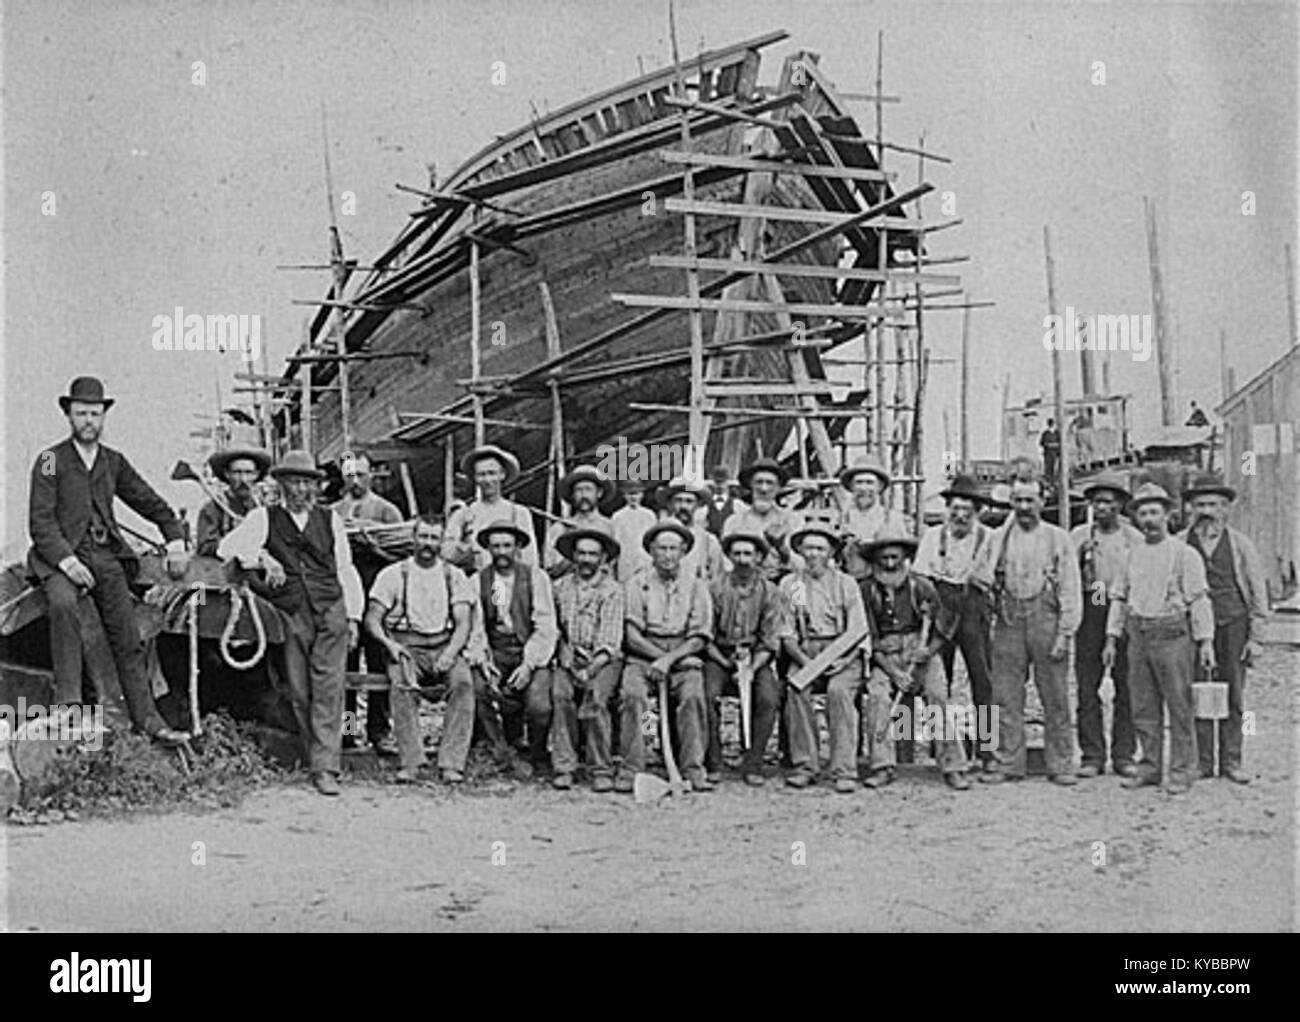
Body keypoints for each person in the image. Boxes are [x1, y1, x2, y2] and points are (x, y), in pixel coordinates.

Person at [28, 376, 192, 746]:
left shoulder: (113, 462)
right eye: (81, 413)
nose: (89, 420)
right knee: (63, 604)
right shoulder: (51, 460)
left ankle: (148, 720)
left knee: (128, 635)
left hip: (105, 557)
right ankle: (68, 705)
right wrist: (67, 562)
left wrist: (177, 541)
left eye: (95, 414)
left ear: (104, 417)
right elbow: (40, 521)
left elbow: (153, 504)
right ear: (68, 415)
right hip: (60, 560)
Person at [218, 450, 364, 795]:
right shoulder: (263, 518)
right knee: (300, 690)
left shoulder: (331, 520)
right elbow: (227, 549)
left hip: (331, 606)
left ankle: (325, 767)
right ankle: (314, 754)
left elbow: (345, 568)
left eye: (307, 482)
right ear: (281, 485)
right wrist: (263, 556)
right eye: (294, 482)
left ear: (316, 486)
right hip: (293, 610)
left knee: (329, 687)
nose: (301, 489)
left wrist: (354, 615)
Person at [1104, 484, 1215, 795]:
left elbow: (1199, 600)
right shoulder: (1130, 555)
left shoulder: (1185, 554)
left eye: (1155, 512)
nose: (1149, 518)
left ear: (1168, 515)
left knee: (1179, 705)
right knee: (1143, 706)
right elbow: (1117, 598)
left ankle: (1182, 770)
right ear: (1136, 518)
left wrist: (1205, 641)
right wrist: (1112, 639)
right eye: (1143, 513)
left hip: (1173, 635)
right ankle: (1150, 767)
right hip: (1138, 635)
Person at [971, 476, 1082, 786]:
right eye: (1017, 501)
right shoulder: (998, 539)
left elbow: (1070, 588)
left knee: (1055, 695)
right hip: (1008, 619)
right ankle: (1009, 762)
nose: (1023, 507)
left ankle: (1061, 763)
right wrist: (1004, 531)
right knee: (1005, 696)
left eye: (1029, 500)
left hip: (1047, 618)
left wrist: (1065, 633)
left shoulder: (1058, 538)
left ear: (1042, 502)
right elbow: (979, 576)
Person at [364, 514, 475, 784]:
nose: (427, 543)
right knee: (402, 686)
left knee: (463, 684)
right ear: (413, 539)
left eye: (434, 537)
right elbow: (372, 619)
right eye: (423, 536)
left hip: (444, 643)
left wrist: (450, 653)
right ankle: (411, 761)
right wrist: (390, 644)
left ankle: (451, 763)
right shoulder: (393, 574)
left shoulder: (454, 576)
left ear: (442, 541)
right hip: (406, 645)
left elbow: (463, 624)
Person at [859, 527, 971, 791]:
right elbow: (868, 638)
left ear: (904, 558)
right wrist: (894, 673)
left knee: (937, 696)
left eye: (894, 558)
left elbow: (944, 627)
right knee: (878, 698)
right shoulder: (865, 590)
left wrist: (927, 652)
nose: (889, 564)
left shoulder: (922, 586)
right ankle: (882, 766)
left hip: (920, 653)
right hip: (884, 658)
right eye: (883, 559)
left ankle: (952, 766)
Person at [1179, 471, 1268, 784]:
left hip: (1233, 625)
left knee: (1234, 696)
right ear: (1190, 508)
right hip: (1191, 629)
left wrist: (1257, 638)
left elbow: (1258, 593)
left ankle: (1232, 761)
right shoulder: (1179, 544)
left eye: (1214, 505)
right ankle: (1202, 762)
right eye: (1200, 504)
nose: (1206, 511)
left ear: (1225, 509)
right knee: (1196, 693)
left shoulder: (1241, 545)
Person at [621, 520, 715, 792]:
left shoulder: (697, 586)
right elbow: (632, 635)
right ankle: (632, 768)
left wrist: (670, 660)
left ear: (684, 552)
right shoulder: (636, 583)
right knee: (633, 695)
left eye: (674, 549)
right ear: (651, 551)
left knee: (693, 696)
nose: (667, 555)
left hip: (684, 652)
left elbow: (699, 636)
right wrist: (661, 659)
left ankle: (692, 769)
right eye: (661, 548)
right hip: (642, 653)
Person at [780, 518, 869, 793]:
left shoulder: (846, 584)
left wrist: (843, 660)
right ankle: (806, 765)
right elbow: (788, 633)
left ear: (831, 552)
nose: (813, 555)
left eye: (820, 548)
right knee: (797, 689)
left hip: (842, 652)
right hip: (807, 651)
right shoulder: (793, 585)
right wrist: (807, 663)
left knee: (838, 693)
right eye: (808, 549)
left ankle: (844, 769)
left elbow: (858, 629)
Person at [463, 520, 557, 779]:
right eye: (496, 546)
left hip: (530, 650)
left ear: (517, 547)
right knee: (477, 689)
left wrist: (528, 664)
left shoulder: (536, 578)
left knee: (539, 705)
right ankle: (499, 750)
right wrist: (483, 660)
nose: (502, 552)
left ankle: (538, 754)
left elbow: (546, 626)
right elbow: (477, 626)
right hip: (495, 651)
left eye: (507, 545)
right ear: (488, 549)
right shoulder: (479, 581)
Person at [913, 474, 995, 770]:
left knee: (983, 679)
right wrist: (934, 602)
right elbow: (920, 574)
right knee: (937, 678)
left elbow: (994, 577)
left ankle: (987, 750)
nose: (961, 515)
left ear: (978, 512)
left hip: (974, 607)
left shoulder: (989, 537)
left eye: (968, 510)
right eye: (956, 508)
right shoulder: (934, 536)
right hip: (940, 602)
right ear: (948, 508)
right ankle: (941, 749)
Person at [1070, 472, 1142, 778]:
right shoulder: (1079, 536)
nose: (1101, 508)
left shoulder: (1133, 539)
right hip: (1092, 609)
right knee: (1088, 687)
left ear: (1121, 506)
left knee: (1127, 687)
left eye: (1108, 503)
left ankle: (1124, 754)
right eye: (1097, 502)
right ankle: (1092, 755)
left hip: (1123, 611)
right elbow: (1067, 578)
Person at [542, 524, 624, 791]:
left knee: (596, 698)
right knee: (560, 695)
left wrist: (590, 670)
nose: (586, 560)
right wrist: (565, 656)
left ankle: (600, 767)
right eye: (581, 553)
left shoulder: (613, 590)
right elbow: (552, 628)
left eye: (592, 554)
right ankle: (565, 765)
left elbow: (610, 641)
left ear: (602, 559)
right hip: (568, 657)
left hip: (603, 660)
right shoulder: (559, 587)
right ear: (573, 556)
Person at [333, 452, 404, 755]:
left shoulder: (387, 511)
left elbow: (403, 556)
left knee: (379, 667)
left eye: (361, 474)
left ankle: (379, 732)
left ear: (372, 474)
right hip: (345, 601)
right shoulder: (333, 512)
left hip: (378, 601)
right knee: (345, 671)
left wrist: (372, 543)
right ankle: (347, 733)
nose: (356, 481)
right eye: (350, 475)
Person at [703, 533, 786, 786]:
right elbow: (705, 634)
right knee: (705, 695)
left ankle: (754, 762)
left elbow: (770, 639)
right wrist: (725, 661)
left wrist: (750, 667)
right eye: (737, 554)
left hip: (755, 656)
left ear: (759, 558)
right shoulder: (714, 588)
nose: (742, 560)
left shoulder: (771, 591)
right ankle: (713, 761)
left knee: (769, 697)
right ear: (728, 557)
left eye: (748, 554)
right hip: (718, 654)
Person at [445, 445, 537, 573]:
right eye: (481, 475)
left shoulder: (518, 513)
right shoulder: (463, 515)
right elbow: (446, 555)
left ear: (502, 474)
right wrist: (465, 543)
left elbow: (530, 559)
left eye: (492, 473)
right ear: (475, 478)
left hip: (510, 583)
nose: (487, 480)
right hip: (475, 584)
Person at [723, 457, 802, 580]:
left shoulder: (792, 521)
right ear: (750, 485)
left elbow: (802, 565)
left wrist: (781, 549)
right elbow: (726, 564)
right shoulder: (734, 522)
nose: (764, 489)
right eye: (759, 482)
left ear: (778, 488)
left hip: (783, 583)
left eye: (770, 483)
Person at [838, 456, 909, 579]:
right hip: (849, 581)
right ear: (851, 487)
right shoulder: (841, 518)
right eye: (859, 483)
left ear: (879, 487)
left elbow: (903, 558)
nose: (864, 488)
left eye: (869, 483)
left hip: (882, 582)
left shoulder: (891, 518)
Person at [194, 447, 269, 557]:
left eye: (249, 473)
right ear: (227, 474)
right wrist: (237, 536)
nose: (243, 479)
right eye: (237, 473)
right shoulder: (213, 509)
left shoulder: (263, 508)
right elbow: (205, 548)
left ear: (256, 475)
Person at [543, 465, 613, 578]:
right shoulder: (559, 529)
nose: (584, 495)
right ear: (572, 495)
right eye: (579, 490)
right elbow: (550, 571)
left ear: (599, 493)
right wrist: (571, 546)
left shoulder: (610, 527)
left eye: (588, 490)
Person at [660, 476, 725, 582]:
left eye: (689, 501)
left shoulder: (708, 541)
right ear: (670, 504)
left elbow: (717, 576)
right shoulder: (658, 537)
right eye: (678, 501)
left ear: (698, 505)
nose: (683, 506)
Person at [610, 478, 656, 581]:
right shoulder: (618, 516)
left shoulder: (649, 515)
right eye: (630, 494)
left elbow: (653, 540)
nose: (633, 497)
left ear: (642, 495)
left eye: (636, 494)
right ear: (624, 495)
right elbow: (615, 540)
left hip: (645, 559)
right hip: (626, 559)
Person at [704, 464, 739, 536]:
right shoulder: (705, 506)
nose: (720, 485)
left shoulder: (737, 505)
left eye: (723, 482)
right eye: (717, 482)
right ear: (713, 482)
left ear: (728, 482)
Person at [1039, 419, 1061, 484]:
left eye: (1052, 424)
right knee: (1048, 468)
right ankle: (1050, 481)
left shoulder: (1057, 433)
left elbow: (1060, 442)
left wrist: (1056, 445)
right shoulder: (1045, 433)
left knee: (1056, 468)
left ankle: (1056, 480)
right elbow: (1042, 443)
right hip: (1048, 453)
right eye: (1050, 424)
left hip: (1056, 453)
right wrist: (1048, 445)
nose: (1052, 425)